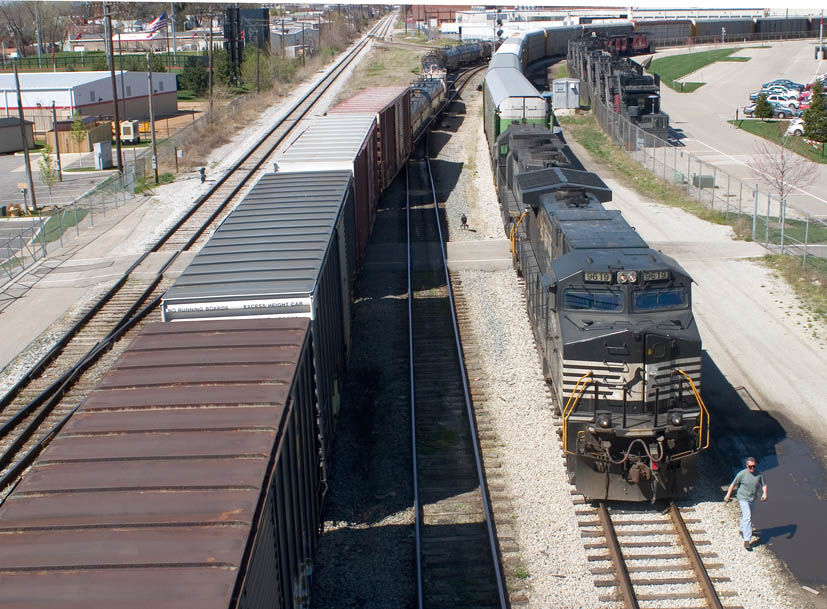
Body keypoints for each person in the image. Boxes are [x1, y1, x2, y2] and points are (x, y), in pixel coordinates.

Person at [724, 457, 768, 550]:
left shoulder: (759, 474)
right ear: (746, 466)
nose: (752, 468)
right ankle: (747, 540)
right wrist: (728, 495)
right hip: (742, 498)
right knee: (748, 517)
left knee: (746, 516)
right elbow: (733, 484)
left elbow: (764, 484)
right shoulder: (742, 474)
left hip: (752, 499)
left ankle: (742, 530)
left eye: (754, 466)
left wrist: (765, 493)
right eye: (750, 466)